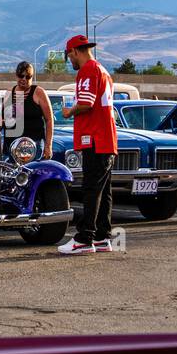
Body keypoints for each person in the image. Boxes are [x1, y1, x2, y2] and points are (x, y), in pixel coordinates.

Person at [58, 35, 117, 254]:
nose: (70, 61)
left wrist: (69, 111)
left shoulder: (88, 70)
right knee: (104, 190)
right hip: (107, 139)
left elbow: (86, 103)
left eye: (69, 56)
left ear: (74, 51)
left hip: (95, 138)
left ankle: (84, 238)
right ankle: (103, 236)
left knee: (91, 189)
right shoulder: (103, 70)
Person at [1, 60, 53, 160]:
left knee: (31, 173)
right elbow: (3, 119)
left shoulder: (38, 92)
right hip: (12, 145)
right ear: (16, 76)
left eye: (28, 77)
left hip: (34, 145)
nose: (24, 79)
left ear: (32, 77)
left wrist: (48, 146)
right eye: (21, 76)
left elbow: (49, 119)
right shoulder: (9, 92)